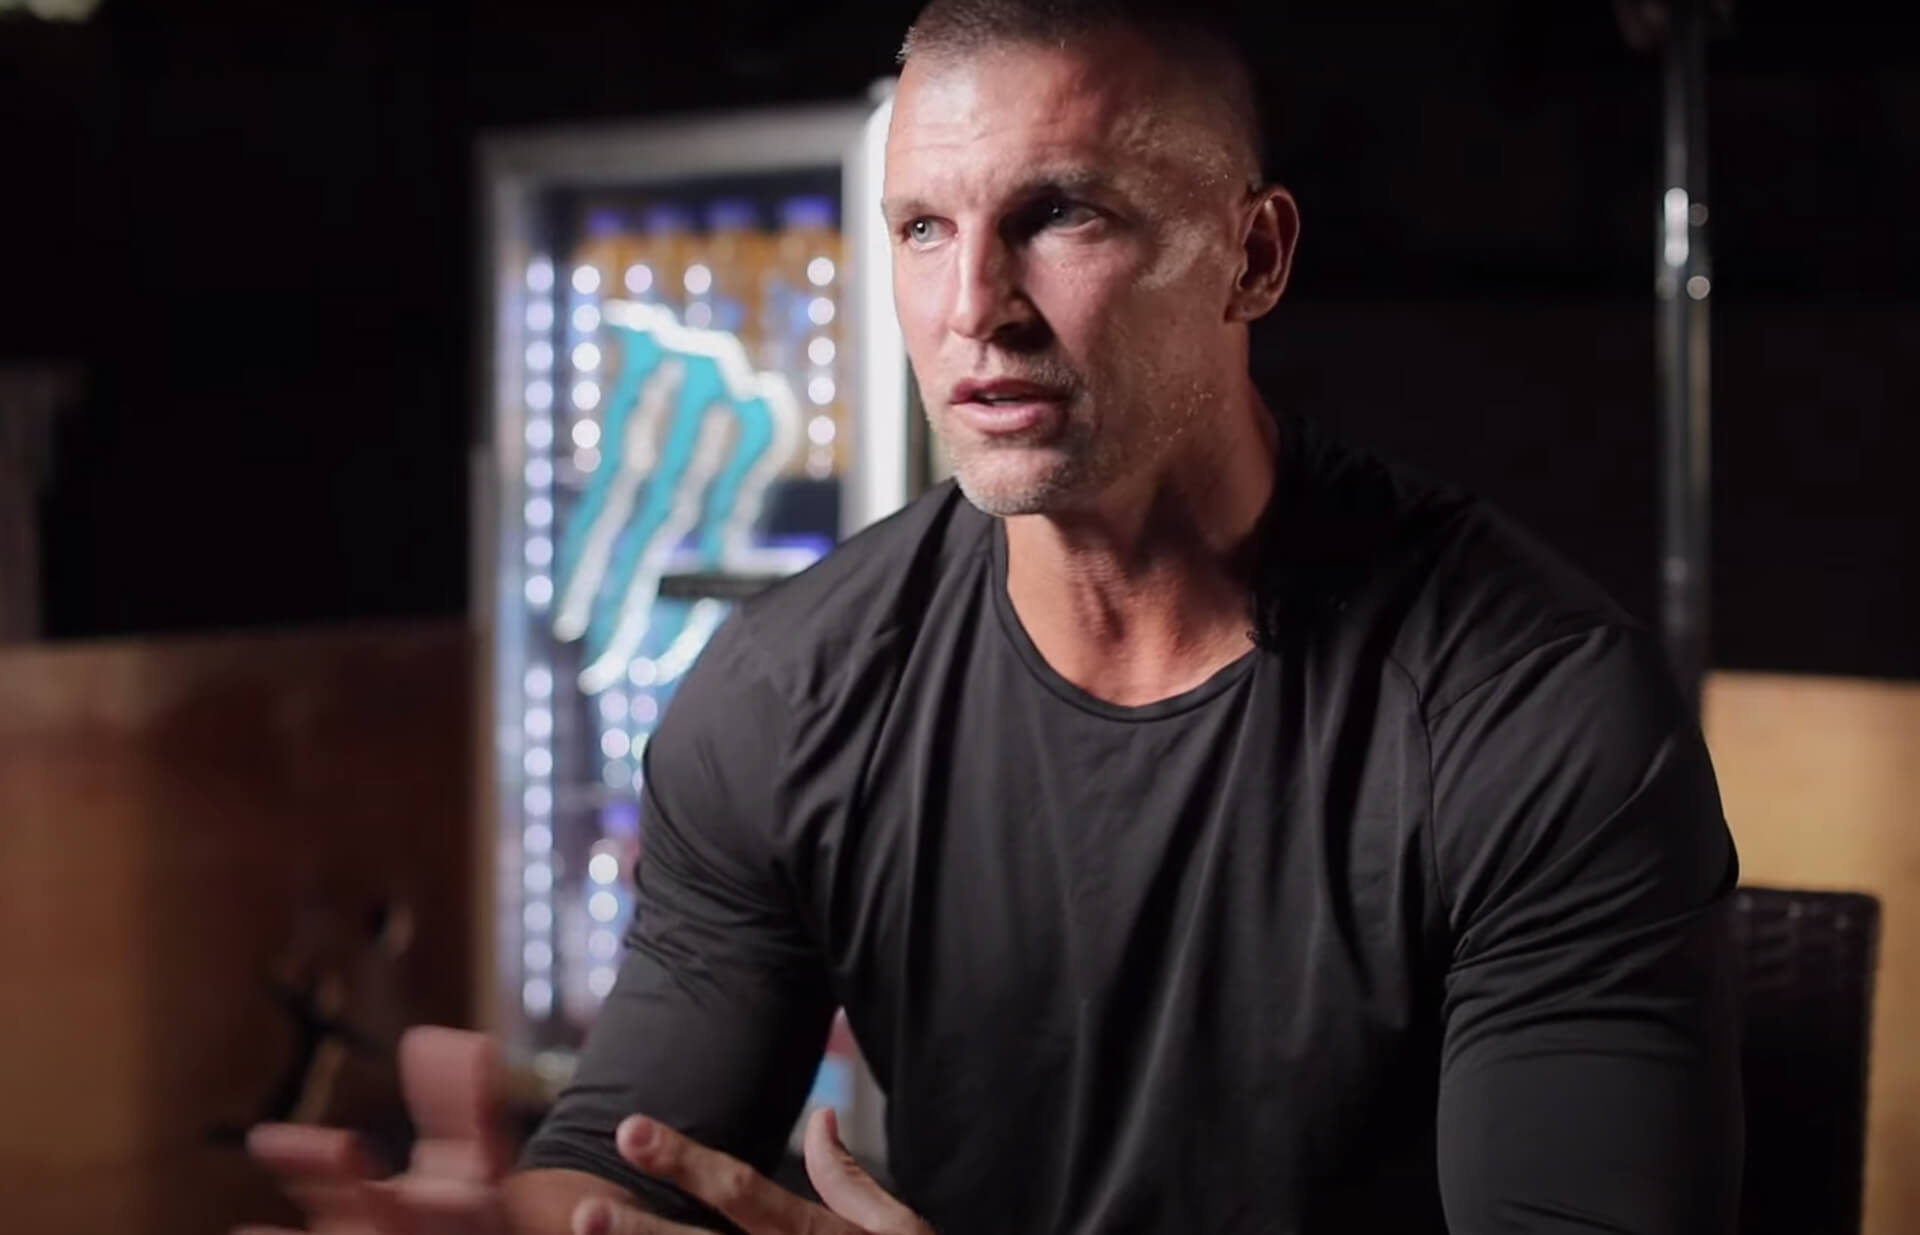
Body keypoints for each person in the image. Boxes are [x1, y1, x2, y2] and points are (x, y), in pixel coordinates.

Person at [242, 1, 1745, 1231]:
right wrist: (520, 1222)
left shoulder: (1530, 713)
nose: (975, 306)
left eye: (1058, 215)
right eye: (919, 229)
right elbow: (633, 1154)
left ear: (1254, 256)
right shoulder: (788, 696)